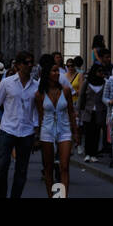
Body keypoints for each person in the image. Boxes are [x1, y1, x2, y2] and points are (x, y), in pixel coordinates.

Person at [0, 51, 38, 199]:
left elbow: (37, 111)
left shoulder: (36, 86)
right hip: (8, 129)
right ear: (18, 65)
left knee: (21, 171)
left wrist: (36, 130)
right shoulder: (6, 83)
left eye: (31, 62)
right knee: (1, 167)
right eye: (26, 62)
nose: (30, 65)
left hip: (27, 132)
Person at [36, 54, 79, 198]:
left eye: (57, 71)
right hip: (47, 130)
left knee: (64, 167)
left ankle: (62, 196)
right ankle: (51, 195)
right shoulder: (40, 94)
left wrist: (76, 133)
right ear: (47, 74)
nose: (56, 74)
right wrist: (37, 135)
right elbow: (40, 116)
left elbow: (71, 112)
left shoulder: (65, 91)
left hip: (64, 129)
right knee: (48, 168)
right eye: (53, 71)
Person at [78, 62, 107, 161]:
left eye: (102, 71)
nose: (101, 73)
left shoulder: (104, 83)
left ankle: (94, 154)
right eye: (99, 71)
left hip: (99, 112)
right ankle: (88, 153)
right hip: (88, 111)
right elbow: (81, 96)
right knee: (88, 133)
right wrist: (79, 110)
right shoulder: (87, 82)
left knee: (97, 133)